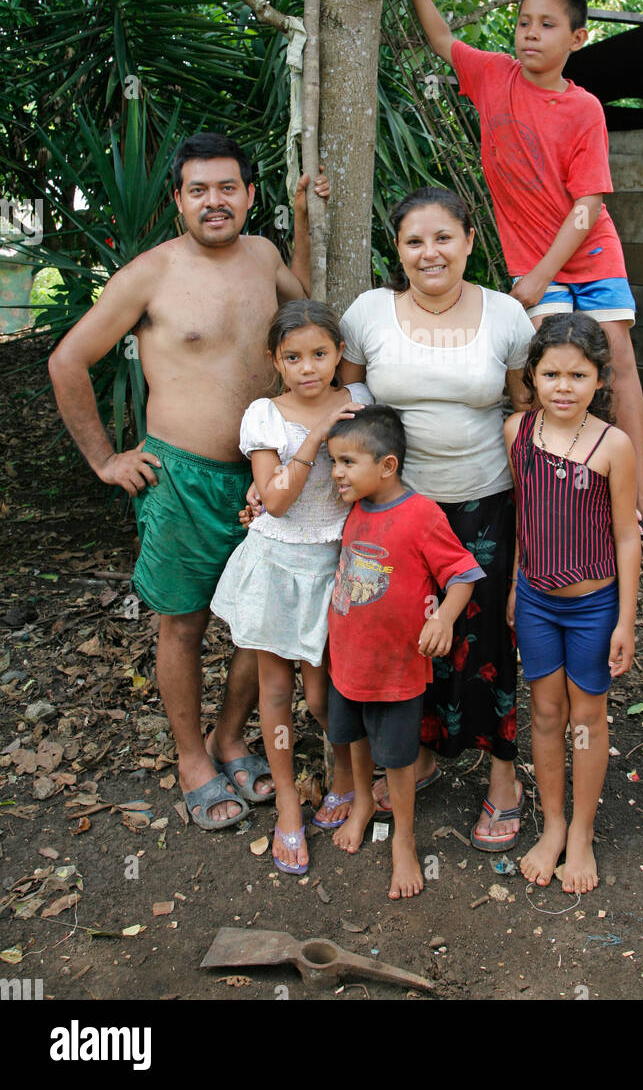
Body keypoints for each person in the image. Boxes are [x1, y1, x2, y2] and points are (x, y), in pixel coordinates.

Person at [47, 132, 334, 830]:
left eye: (227, 187)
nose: (215, 201)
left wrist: (300, 219)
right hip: (180, 479)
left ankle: (230, 738)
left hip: (263, 475)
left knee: (256, 626)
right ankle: (191, 759)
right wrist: (106, 459)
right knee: (183, 622)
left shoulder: (263, 256)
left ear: (247, 195)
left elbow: (303, 312)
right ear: (178, 199)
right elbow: (67, 361)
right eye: (199, 189)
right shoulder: (149, 274)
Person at [382, 0, 643, 553]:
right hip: (536, 266)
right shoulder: (493, 74)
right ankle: (588, 473)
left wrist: (539, 276)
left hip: (589, 255)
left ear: (575, 40)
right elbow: (441, 36)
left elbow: (588, 207)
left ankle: (641, 501)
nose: (531, 34)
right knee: (553, 372)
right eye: (524, 21)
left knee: (616, 358)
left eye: (548, 25)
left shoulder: (583, 109)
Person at [338, 187, 536, 850]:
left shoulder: (506, 315)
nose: (430, 252)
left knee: (486, 641)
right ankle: (418, 753)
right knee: (409, 633)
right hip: (398, 509)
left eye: (443, 238)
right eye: (414, 241)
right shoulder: (369, 312)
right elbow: (349, 400)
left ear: (470, 241)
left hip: (486, 499)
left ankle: (502, 777)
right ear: (398, 249)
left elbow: (524, 406)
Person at [210, 301, 369, 874]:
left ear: (338, 355)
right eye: (293, 357)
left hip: (337, 564)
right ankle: (286, 805)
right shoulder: (265, 415)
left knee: (326, 694)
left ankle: (347, 780)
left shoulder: (361, 406)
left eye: (320, 354)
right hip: (277, 566)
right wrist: (318, 434)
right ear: (275, 360)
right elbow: (275, 499)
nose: (308, 368)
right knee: (275, 693)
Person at [325, 405, 484, 898]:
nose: (336, 473)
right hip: (347, 661)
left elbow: (462, 573)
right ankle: (363, 805)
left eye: (348, 462)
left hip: (395, 670)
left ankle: (405, 843)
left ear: (387, 465)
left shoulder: (420, 515)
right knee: (351, 739)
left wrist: (443, 619)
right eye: (334, 461)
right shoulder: (356, 507)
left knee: (396, 759)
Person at [504, 314, 640, 893]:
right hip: (535, 599)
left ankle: (582, 831)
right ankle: (553, 824)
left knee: (587, 717)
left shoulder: (615, 445)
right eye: (551, 373)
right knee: (545, 713)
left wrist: (626, 621)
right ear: (532, 375)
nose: (563, 386)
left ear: (600, 380)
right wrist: (514, 583)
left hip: (593, 606)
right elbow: (523, 519)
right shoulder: (517, 432)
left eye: (578, 375)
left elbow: (627, 536)